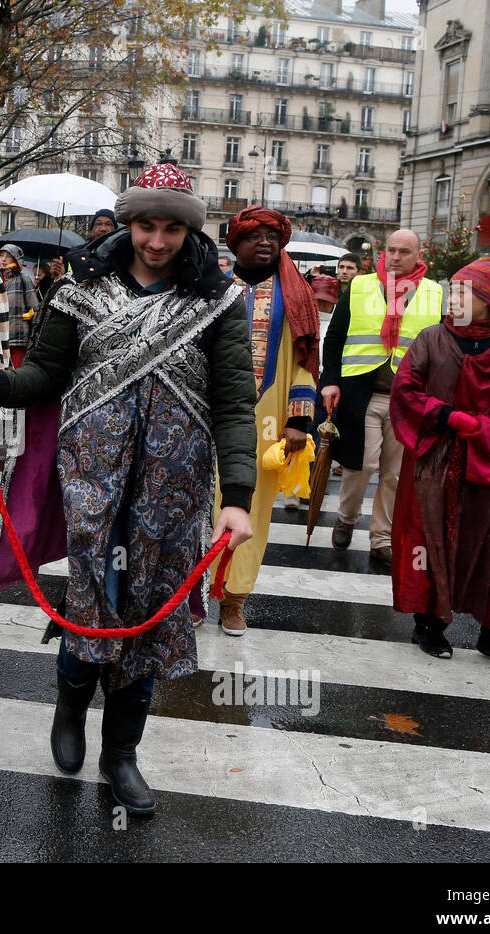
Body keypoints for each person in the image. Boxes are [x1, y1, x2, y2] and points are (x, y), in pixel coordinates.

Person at [0, 164, 256, 814]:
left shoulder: (219, 300)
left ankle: (121, 754)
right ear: (128, 220)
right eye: (146, 224)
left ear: (188, 227)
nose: (156, 239)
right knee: (96, 600)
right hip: (92, 479)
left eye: (171, 226)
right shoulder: (78, 289)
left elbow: (235, 403)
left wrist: (237, 495)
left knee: (149, 616)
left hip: (174, 492)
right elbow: (44, 374)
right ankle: (70, 706)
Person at [390, 257, 490, 672]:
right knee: (429, 540)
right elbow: (406, 389)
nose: (452, 298)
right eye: (453, 289)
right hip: (436, 461)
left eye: (464, 292)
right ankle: (429, 624)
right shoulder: (431, 338)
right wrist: (445, 416)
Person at [211, 206, 319, 636]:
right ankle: (191, 590)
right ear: (234, 243)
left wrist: (299, 421)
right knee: (198, 504)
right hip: (207, 412)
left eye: (273, 237)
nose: (265, 243)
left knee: (252, 508)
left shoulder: (295, 295)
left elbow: (305, 361)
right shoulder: (213, 288)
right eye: (255, 236)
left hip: (268, 421)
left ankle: (233, 598)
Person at [320, 228, 444, 563]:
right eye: (391, 249)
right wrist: (329, 381)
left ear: (419, 255)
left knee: (395, 473)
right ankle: (347, 518)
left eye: (404, 251)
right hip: (362, 393)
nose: (396, 257)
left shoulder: (435, 293)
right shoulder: (360, 285)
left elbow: (445, 349)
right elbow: (334, 338)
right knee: (362, 464)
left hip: (408, 400)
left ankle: (381, 538)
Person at [0, 243, 39, 368]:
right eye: (1, 255)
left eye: (8, 256)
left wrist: (30, 316)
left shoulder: (23, 279)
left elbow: (35, 309)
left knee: (16, 372)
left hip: (17, 336)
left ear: (15, 259)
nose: (3, 259)